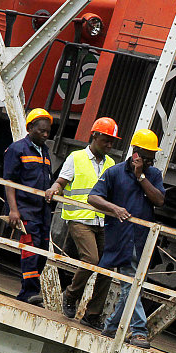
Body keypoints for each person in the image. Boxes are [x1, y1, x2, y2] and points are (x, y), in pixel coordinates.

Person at [87, 128, 165, 348]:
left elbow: (159, 200)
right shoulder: (115, 173)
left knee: (132, 286)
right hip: (121, 238)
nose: (151, 160)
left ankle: (111, 326)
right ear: (136, 153)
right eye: (147, 155)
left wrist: (141, 176)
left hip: (143, 241)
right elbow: (93, 197)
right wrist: (115, 209)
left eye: (152, 156)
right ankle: (139, 331)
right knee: (132, 283)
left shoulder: (153, 175)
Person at [49, 117, 119, 325]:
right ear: (94, 136)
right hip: (79, 218)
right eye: (106, 140)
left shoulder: (110, 163)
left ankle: (92, 315)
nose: (109, 145)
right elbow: (61, 182)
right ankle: (70, 295)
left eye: (112, 141)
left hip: (101, 221)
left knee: (106, 267)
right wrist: (54, 189)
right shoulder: (76, 158)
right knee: (91, 261)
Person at [3, 108, 57, 306]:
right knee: (30, 249)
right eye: (41, 131)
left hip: (43, 210)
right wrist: (14, 210)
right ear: (30, 128)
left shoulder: (45, 151)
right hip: (26, 209)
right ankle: (30, 291)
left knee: (42, 250)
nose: (45, 134)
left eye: (48, 132)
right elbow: (9, 181)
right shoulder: (17, 149)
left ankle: (27, 291)